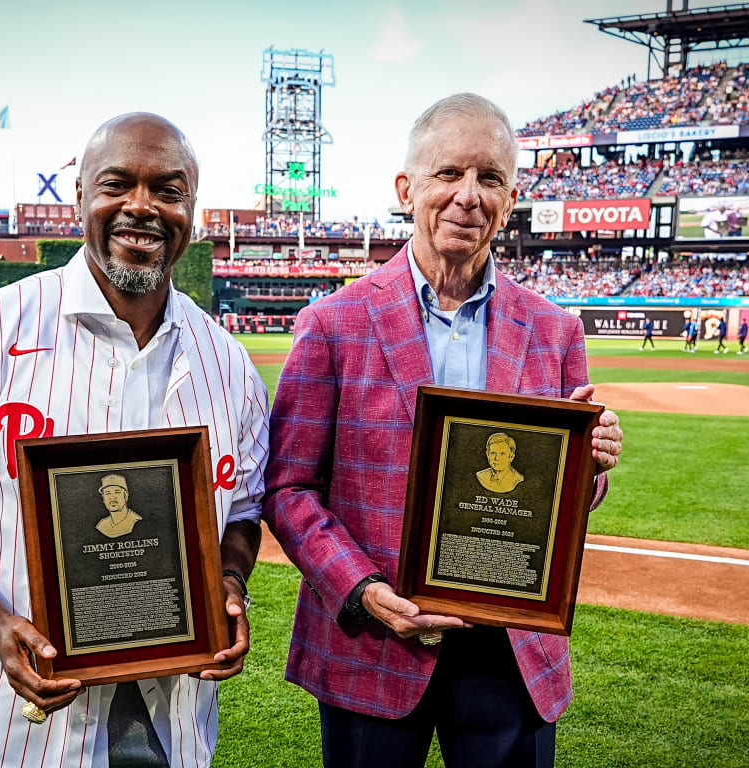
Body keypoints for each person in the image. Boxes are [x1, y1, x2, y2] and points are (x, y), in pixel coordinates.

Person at [0, 113, 269, 768]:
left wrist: (230, 583)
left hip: (178, 720)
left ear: (192, 214)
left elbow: (245, 513)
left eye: (168, 191)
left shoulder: (231, 366)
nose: (142, 207)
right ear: (80, 196)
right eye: (118, 184)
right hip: (23, 728)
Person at [264, 93, 624, 768]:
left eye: (489, 178)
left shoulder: (554, 330)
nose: (468, 195)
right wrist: (366, 593)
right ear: (407, 189)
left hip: (509, 650)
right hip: (374, 645)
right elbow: (288, 489)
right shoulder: (334, 324)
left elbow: (560, 502)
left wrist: (590, 466)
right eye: (448, 174)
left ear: (510, 199)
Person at [94, 473, 142, 539]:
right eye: (108, 493)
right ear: (103, 498)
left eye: (117, 492)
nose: (112, 497)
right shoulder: (102, 525)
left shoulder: (136, 521)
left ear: (126, 495)